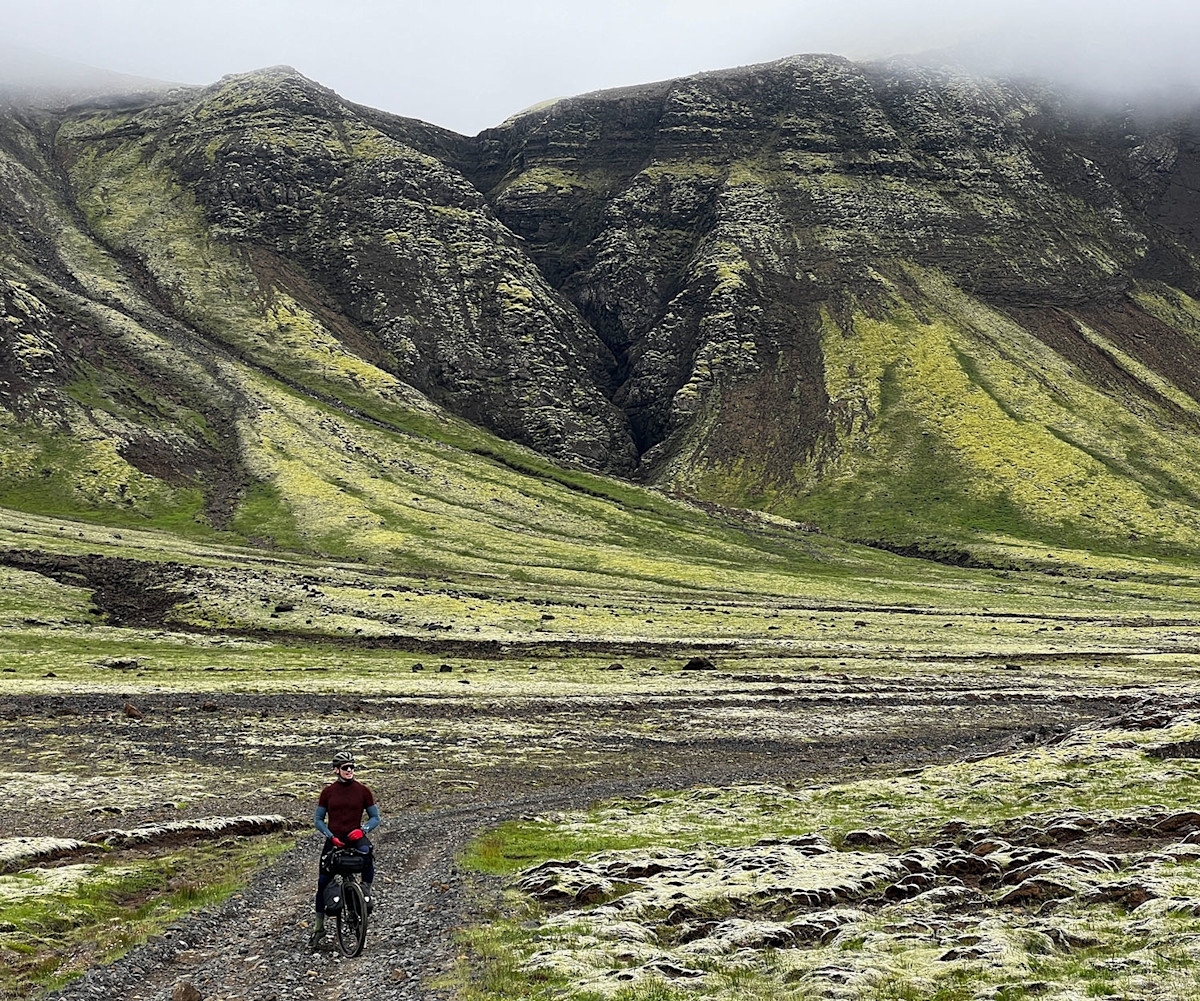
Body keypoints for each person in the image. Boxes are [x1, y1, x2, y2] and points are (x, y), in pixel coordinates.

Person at [308, 750, 381, 949]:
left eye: (352, 767)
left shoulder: (363, 791)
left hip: (355, 836)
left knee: (367, 853)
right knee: (323, 882)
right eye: (345, 768)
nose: (350, 770)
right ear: (336, 770)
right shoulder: (328, 792)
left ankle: (365, 889)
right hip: (335, 839)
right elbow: (318, 820)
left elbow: (376, 818)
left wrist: (363, 830)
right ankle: (319, 927)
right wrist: (330, 836)